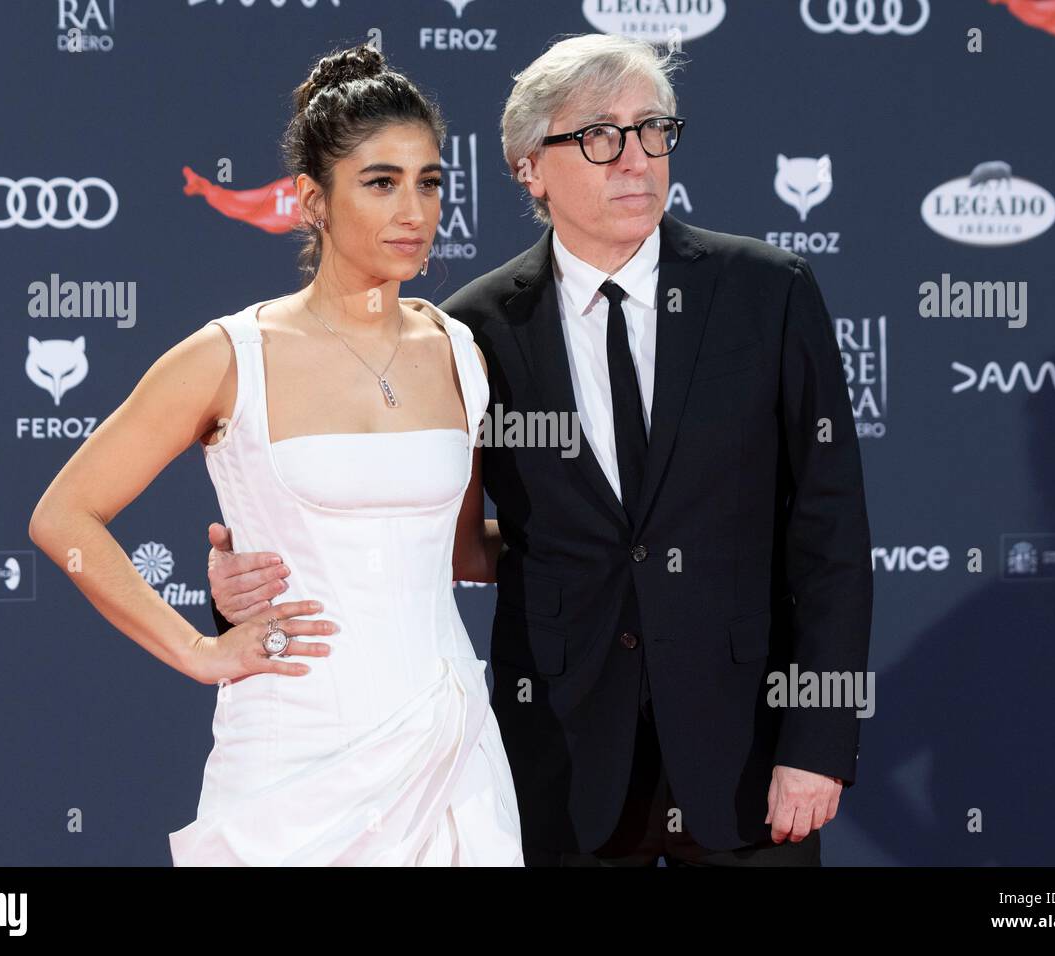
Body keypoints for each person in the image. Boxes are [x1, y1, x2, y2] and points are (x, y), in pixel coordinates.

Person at [210, 34, 873, 866]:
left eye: (653, 130)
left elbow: (831, 536)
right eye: (599, 136)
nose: (635, 159)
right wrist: (253, 585)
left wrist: (816, 740)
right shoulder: (469, 332)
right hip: (558, 759)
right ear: (529, 168)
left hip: (746, 753)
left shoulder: (768, 294)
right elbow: (423, 534)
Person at [29, 44, 524, 866]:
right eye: (380, 182)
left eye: (429, 181)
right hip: (295, 755)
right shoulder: (230, 356)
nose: (415, 209)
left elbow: (466, 549)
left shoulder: (458, 350)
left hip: (451, 749)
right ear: (310, 202)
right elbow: (63, 515)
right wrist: (199, 648)